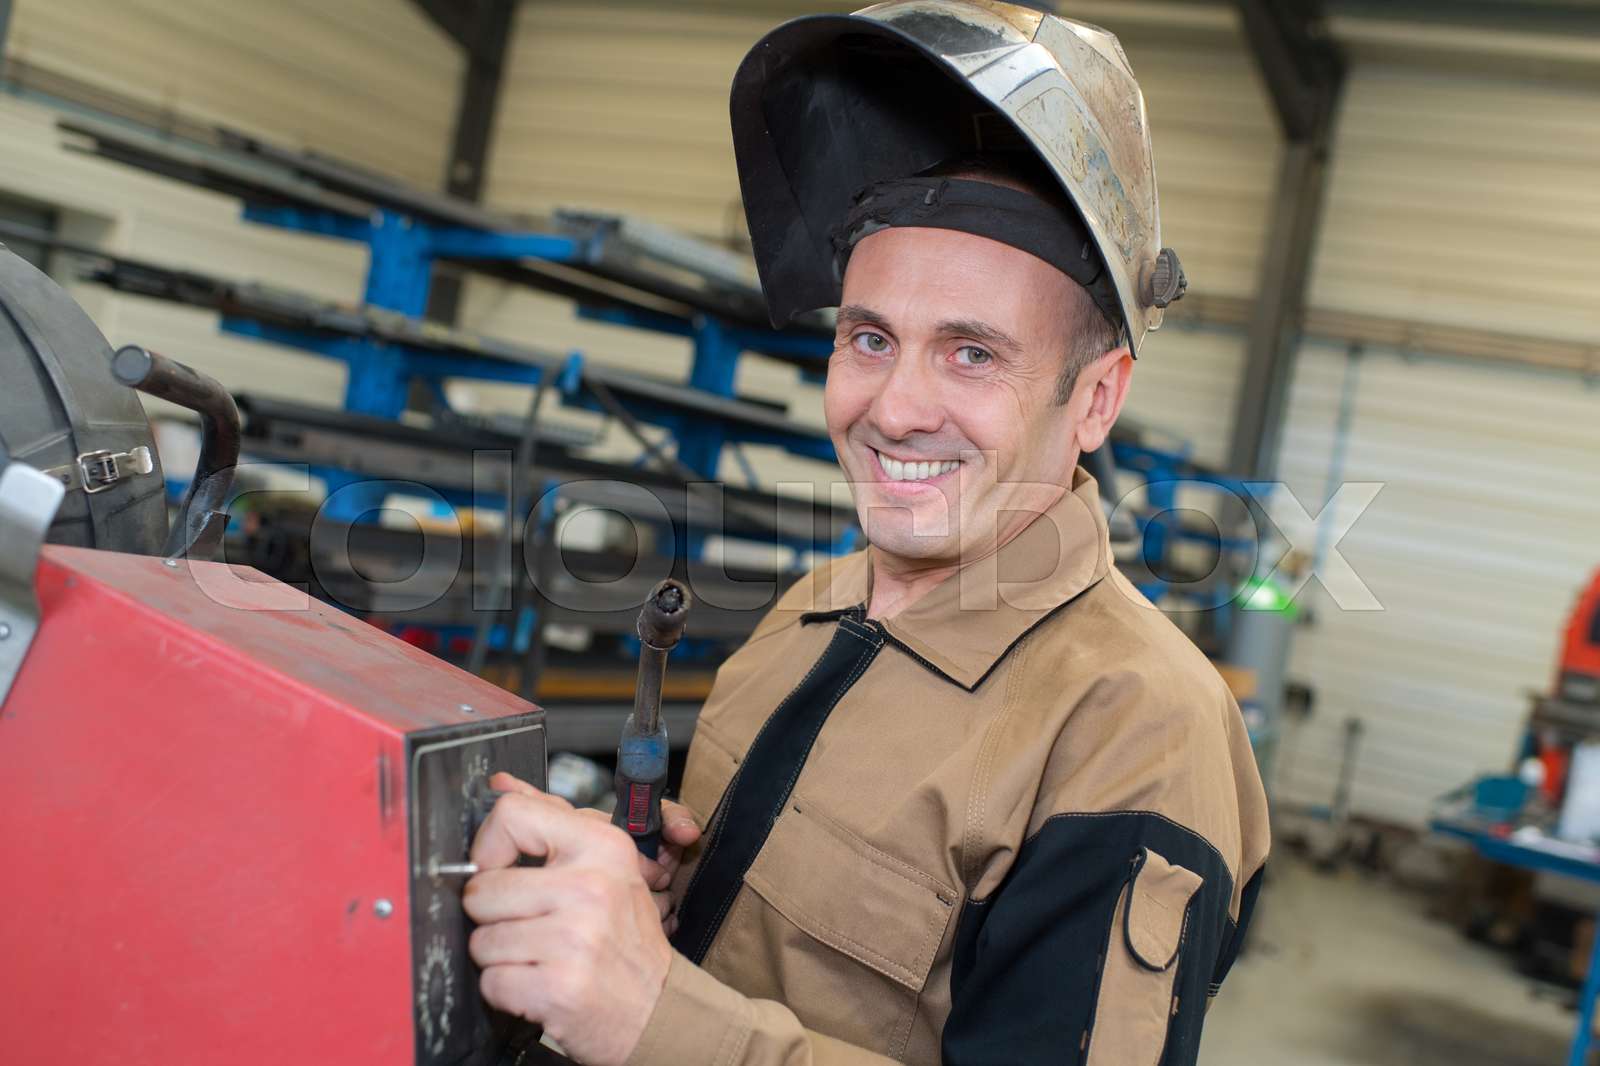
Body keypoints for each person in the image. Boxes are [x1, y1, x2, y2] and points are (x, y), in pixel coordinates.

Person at [463, 3, 1270, 1064]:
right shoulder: (813, 608)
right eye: (870, 338)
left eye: (971, 353)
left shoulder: (1137, 732)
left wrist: (653, 1012)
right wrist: (643, 907)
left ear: (1095, 402)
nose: (894, 408)